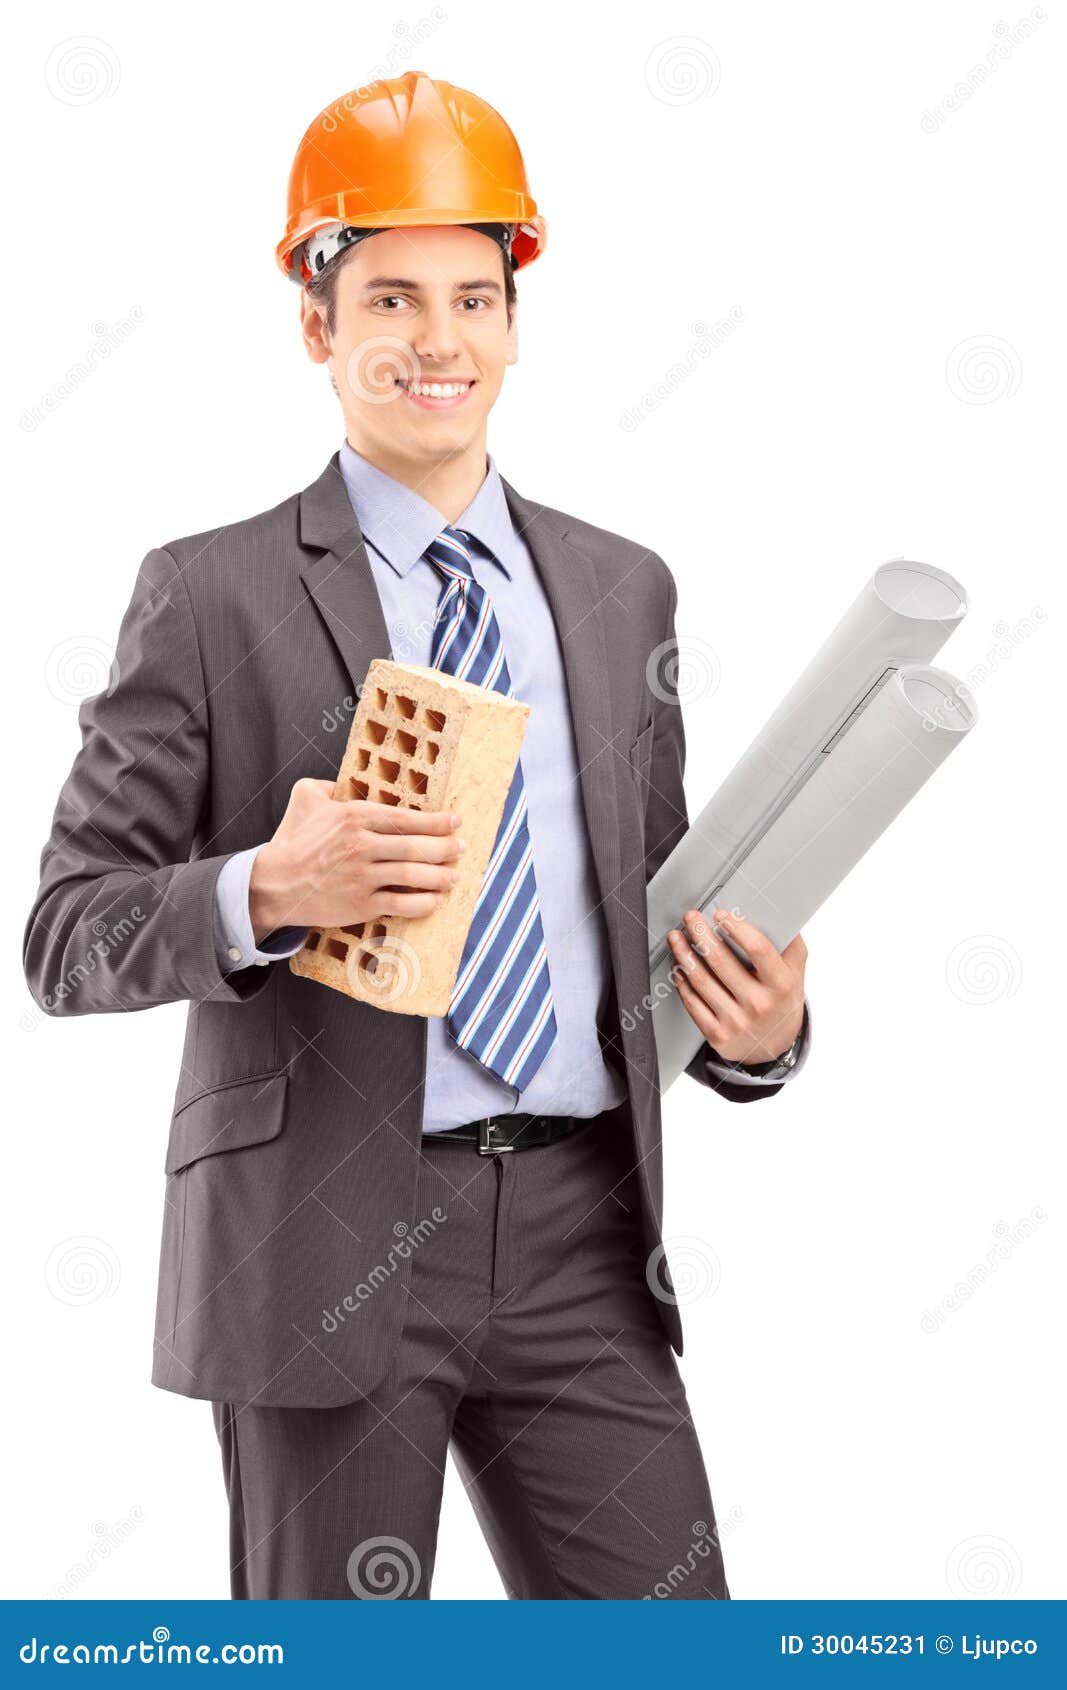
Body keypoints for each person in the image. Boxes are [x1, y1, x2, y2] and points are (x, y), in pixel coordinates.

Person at [24, 70, 811, 1600]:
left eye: (472, 295)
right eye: (390, 296)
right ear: (318, 325)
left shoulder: (619, 589)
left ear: (517, 319)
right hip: (327, 1238)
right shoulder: (211, 593)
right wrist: (265, 889)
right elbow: (67, 931)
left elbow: (648, 918)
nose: (437, 340)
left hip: (589, 1231)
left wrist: (759, 1032)